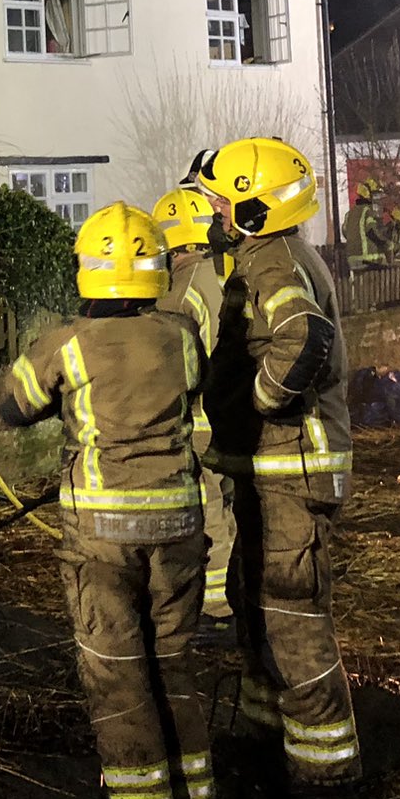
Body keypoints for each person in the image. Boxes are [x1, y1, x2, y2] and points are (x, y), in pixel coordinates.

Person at [0, 202, 215, 799]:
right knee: (174, 661)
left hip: (103, 535)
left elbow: (14, 406)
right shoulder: (181, 334)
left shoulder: (67, 343)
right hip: (178, 525)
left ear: (87, 270)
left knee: (118, 673)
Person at [189, 137, 363, 795]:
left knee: (290, 615)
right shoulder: (264, 256)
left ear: (256, 209)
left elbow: (304, 336)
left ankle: (327, 774)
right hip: (270, 471)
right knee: (253, 601)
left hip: (294, 468)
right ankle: (268, 739)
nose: (212, 211)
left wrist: (260, 403)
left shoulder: (273, 261)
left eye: (220, 202)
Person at [152, 185, 237, 623]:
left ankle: (217, 605)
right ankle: (235, 593)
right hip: (228, 417)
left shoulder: (179, 293)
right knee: (226, 504)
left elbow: (168, 369)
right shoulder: (220, 275)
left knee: (206, 510)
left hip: (198, 423)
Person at [346, 180, 389, 271]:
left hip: (351, 258)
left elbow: (345, 231)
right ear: (369, 196)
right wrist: (383, 243)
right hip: (367, 258)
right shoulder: (368, 211)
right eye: (375, 196)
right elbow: (371, 232)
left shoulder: (350, 213)